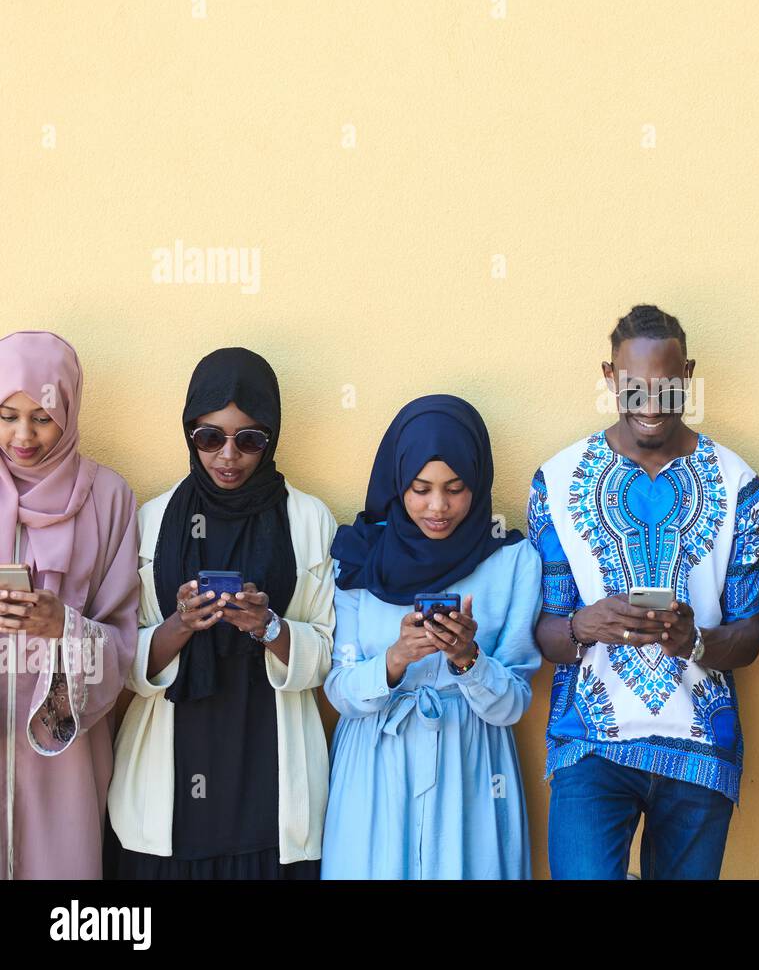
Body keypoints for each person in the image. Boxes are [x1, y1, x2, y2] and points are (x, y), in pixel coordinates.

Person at [528, 304, 759, 880]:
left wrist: (696, 642)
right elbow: (545, 633)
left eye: (666, 387)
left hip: (700, 747)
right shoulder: (556, 481)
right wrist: (586, 625)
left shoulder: (738, 483)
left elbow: (752, 634)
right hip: (591, 744)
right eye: (634, 388)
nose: (651, 405)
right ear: (609, 377)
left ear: (688, 374)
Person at [106, 348, 336, 879]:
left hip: (269, 766)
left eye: (248, 439)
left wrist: (269, 626)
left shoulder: (307, 519)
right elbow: (122, 654)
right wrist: (180, 625)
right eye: (210, 436)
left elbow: (327, 655)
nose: (227, 455)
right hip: (172, 766)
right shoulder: (154, 519)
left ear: (271, 438)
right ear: (190, 433)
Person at [322, 395, 541, 879]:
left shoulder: (512, 561)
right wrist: (395, 660)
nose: (437, 507)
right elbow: (339, 690)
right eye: (420, 489)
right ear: (398, 482)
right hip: (375, 763)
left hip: (472, 765)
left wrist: (469, 660)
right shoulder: (360, 557)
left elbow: (512, 705)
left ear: (478, 483)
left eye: (456, 488)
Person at [0, 331, 139, 879]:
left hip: (64, 749)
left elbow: (124, 640)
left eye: (42, 416)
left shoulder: (108, 497)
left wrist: (65, 626)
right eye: (7, 415)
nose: (23, 436)